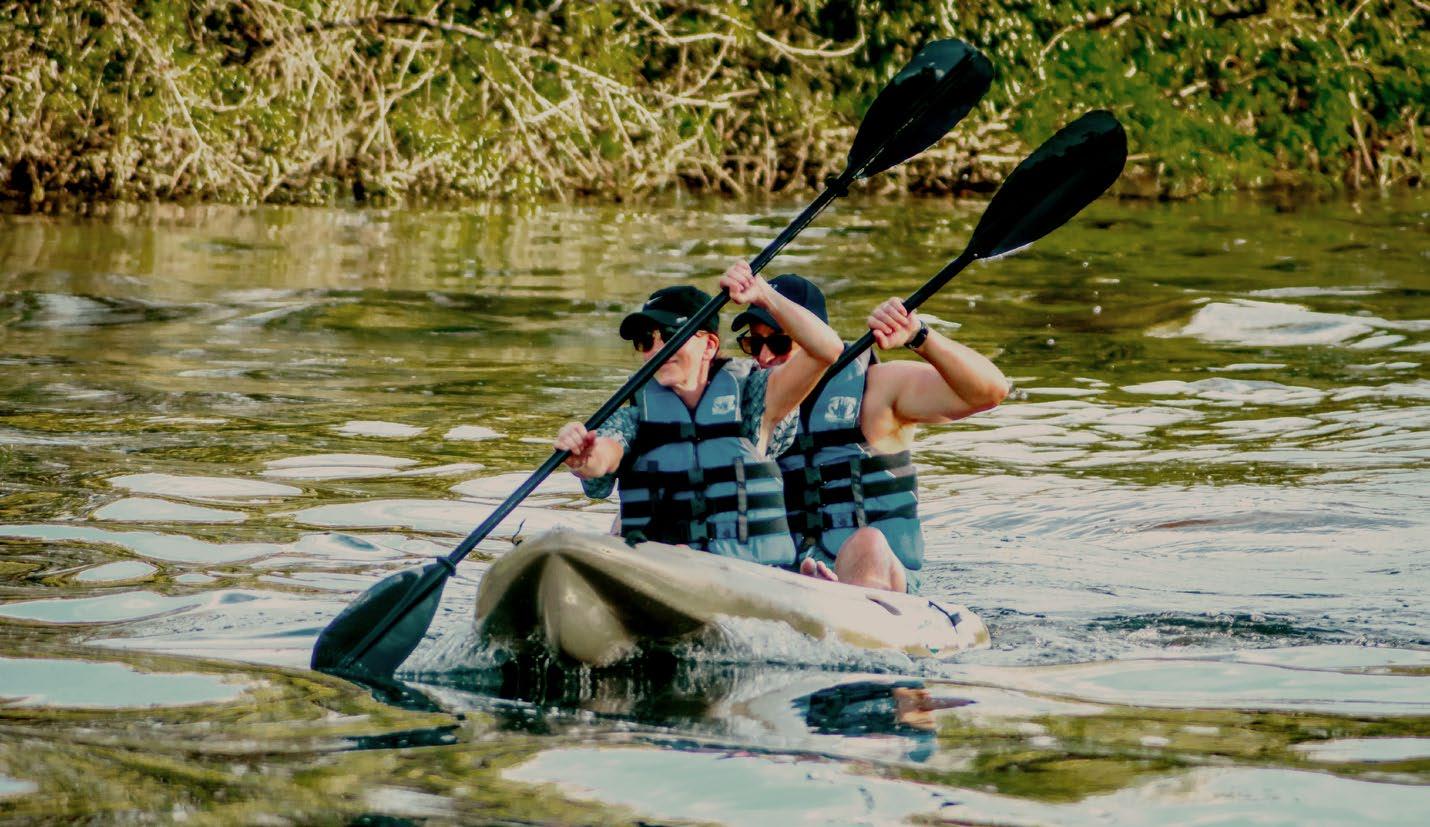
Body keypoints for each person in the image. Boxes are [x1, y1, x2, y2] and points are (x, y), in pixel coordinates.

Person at [732, 274, 1009, 593]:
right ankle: (811, 585)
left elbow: (990, 392)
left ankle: (842, 597)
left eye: (778, 343)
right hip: (785, 572)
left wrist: (919, 337)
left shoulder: (877, 389)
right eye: (753, 343)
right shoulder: (746, 402)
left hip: (879, 575)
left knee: (868, 543)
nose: (764, 358)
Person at [554, 263, 843, 566]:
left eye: (669, 335)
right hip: (666, 570)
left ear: (709, 346)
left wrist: (764, 295)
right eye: (645, 341)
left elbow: (826, 350)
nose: (655, 349)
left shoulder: (755, 400)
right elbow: (605, 453)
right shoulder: (634, 417)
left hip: (751, 573)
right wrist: (583, 456)